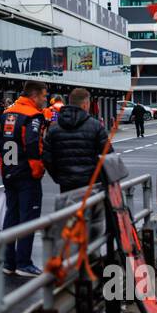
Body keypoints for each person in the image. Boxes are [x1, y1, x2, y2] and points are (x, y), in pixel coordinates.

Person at [43, 88, 110, 238]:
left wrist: (59, 177)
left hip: (66, 185)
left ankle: (71, 255)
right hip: (91, 185)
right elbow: (108, 156)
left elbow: (47, 158)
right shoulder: (95, 126)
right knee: (92, 224)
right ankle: (91, 256)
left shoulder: (54, 129)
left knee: (69, 223)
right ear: (86, 104)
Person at [0, 81, 48, 276]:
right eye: (43, 96)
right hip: (26, 173)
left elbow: (1, 144)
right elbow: (33, 145)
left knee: (11, 216)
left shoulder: (7, 113)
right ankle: (23, 263)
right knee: (29, 218)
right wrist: (38, 171)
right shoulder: (33, 116)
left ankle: (8, 261)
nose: (45, 100)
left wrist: (4, 170)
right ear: (34, 95)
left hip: (9, 171)